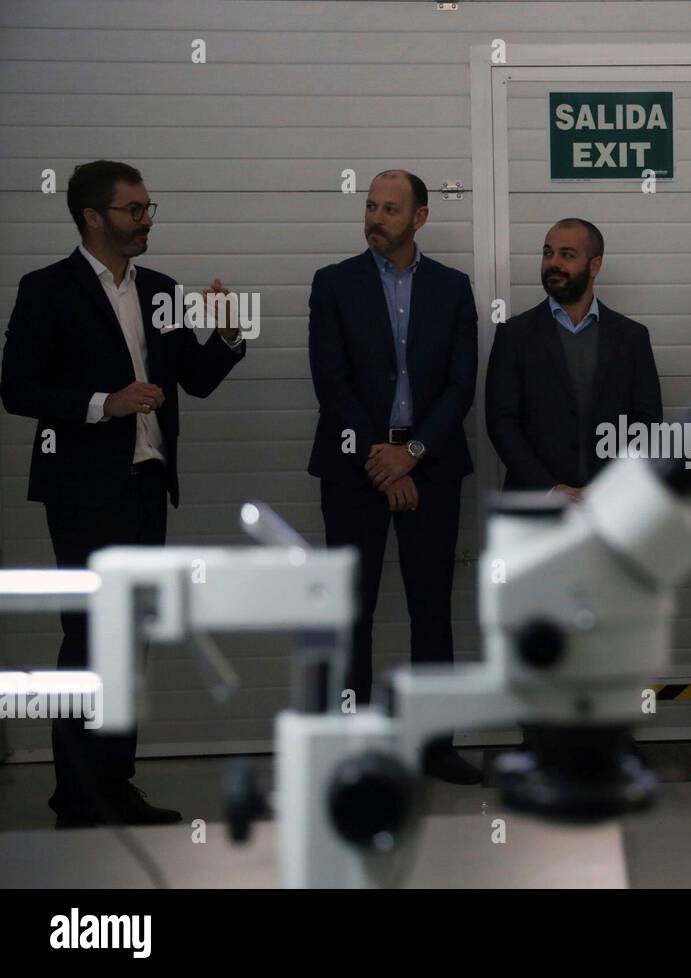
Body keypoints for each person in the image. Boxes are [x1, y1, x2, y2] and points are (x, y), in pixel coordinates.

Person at [0, 160, 246, 827]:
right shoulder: (47, 289)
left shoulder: (161, 290)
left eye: (147, 208)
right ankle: (76, 796)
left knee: (130, 643)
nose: (145, 221)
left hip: (144, 487)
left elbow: (194, 379)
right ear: (92, 217)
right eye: (133, 210)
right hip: (82, 492)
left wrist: (224, 334)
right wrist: (104, 404)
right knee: (87, 640)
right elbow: (16, 387)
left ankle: (116, 785)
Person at [306, 169, 480, 784]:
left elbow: (462, 384)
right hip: (356, 466)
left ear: (420, 218)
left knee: (431, 607)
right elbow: (332, 382)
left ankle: (435, 746)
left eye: (389, 209)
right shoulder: (333, 284)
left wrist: (413, 453)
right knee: (352, 611)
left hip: (430, 468)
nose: (375, 218)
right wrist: (383, 458)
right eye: (371, 207)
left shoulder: (453, 288)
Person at [484, 219, 662, 500]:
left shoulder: (632, 338)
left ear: (595, 265)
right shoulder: (513, 336)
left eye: (566, 255)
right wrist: (550, 489)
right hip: (535, 504)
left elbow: (647, 422)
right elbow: (502, 423)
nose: (553, 263)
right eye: (547, 253)